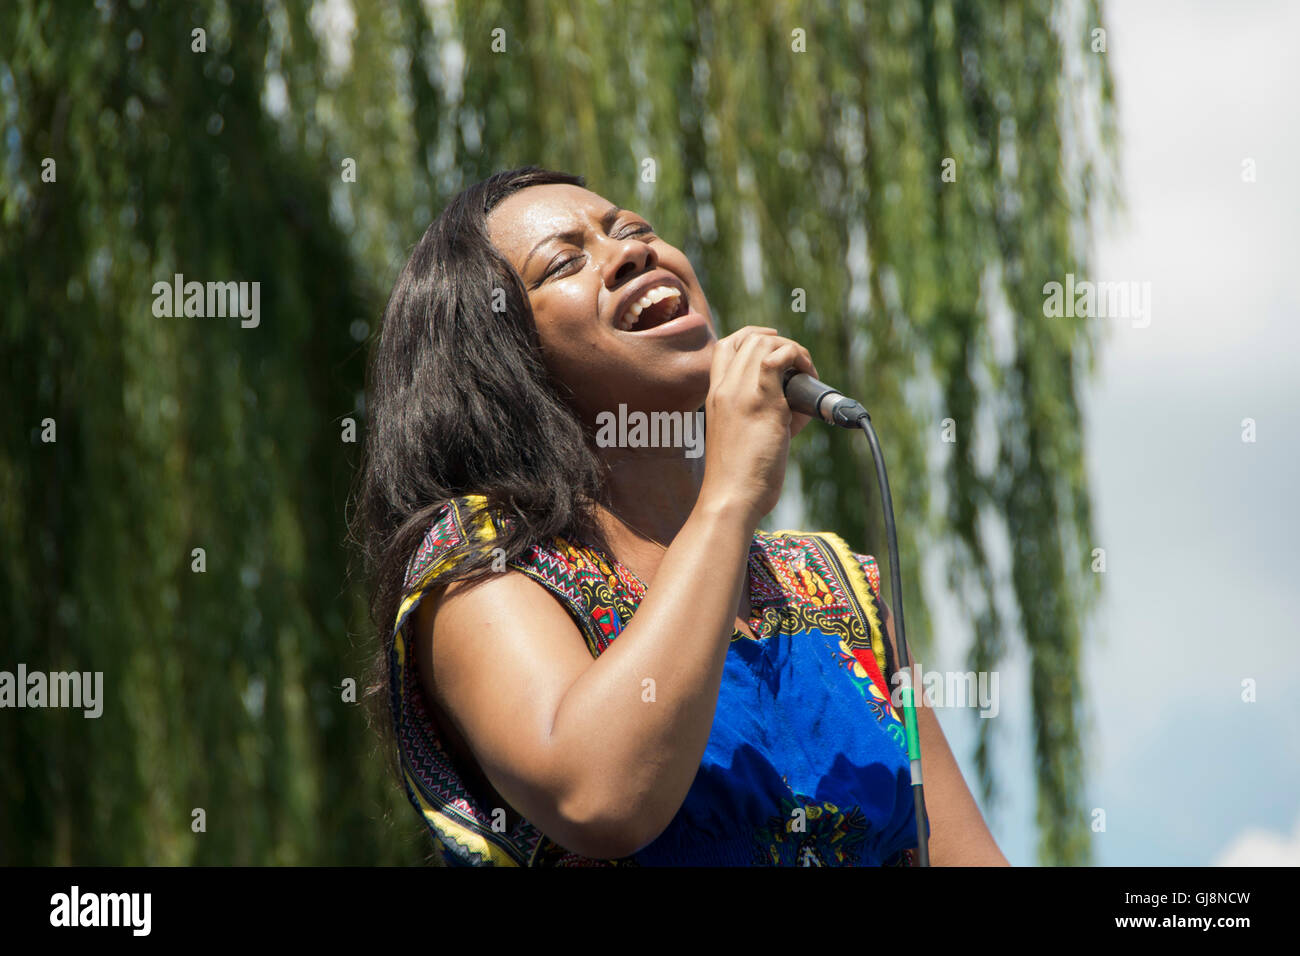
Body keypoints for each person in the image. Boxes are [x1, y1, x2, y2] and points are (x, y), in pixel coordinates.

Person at [354, 165, 1010, 866]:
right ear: (501, 361)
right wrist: (729, 496)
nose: (633, 252)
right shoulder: (480, 564)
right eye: (565, 262)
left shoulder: (839, 585)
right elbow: (598, 797)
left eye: (634, 229)